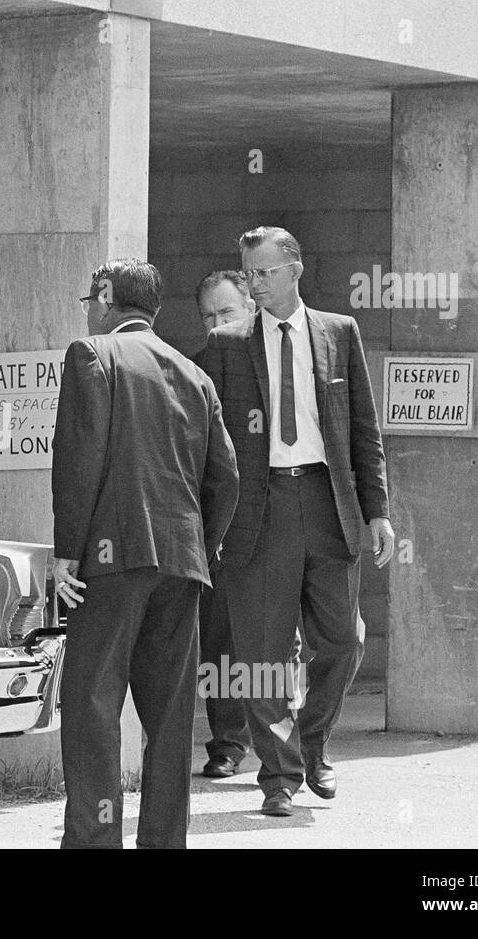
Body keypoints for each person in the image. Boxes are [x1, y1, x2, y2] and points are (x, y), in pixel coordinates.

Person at [200, 227, 393, 817]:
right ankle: (278, 777)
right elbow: (211, 444)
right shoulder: (228, 344)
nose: (255, 284)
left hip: (328, 502)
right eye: (249, 274)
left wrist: (378, 512)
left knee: (343, 639)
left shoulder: (339, 332)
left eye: (265, 273)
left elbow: (364, 428)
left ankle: (313, 741)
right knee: (260, 653)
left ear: (296, 270)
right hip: (259, 511)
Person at [51, 258, 238, 848]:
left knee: (92, 710)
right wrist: (198, 549)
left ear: (106, 296)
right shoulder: (194, 374)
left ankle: (94, 840)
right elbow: (227, 481)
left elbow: (78, 464)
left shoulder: (92, 355)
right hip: (182, 566)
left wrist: (66, 555)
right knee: (171, 717)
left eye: (90, 295)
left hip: (109, 564)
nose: (87, 307)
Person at [190, 271, 255, 777]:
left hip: (284, 522)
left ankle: (291, 742)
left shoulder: (289, 362)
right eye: (208, 317)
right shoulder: (195, 374)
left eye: (227, 314)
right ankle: (228, 744)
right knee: (221, 640)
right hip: (222, 528)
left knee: (290, 639)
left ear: (252, 309)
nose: (216, 326)